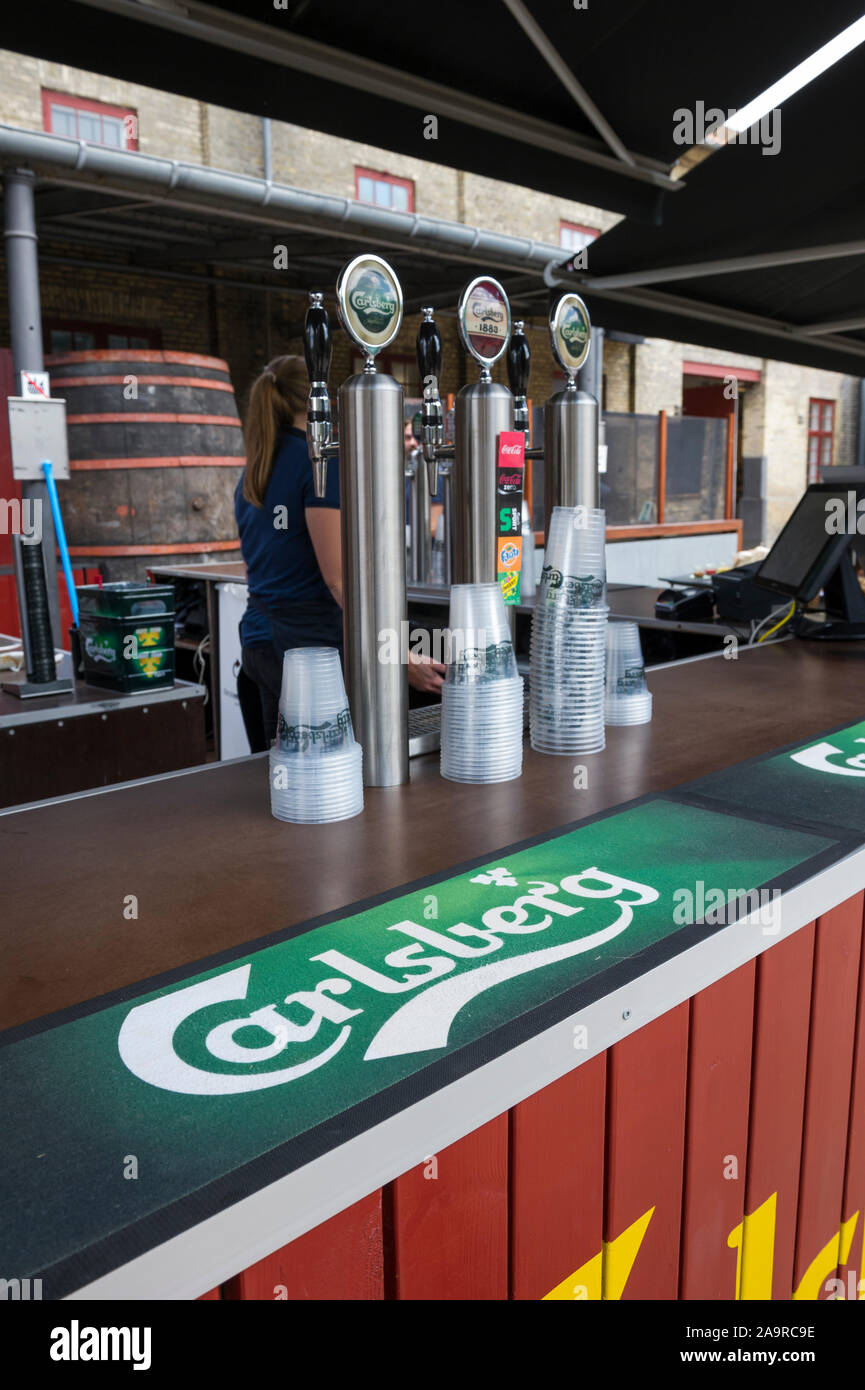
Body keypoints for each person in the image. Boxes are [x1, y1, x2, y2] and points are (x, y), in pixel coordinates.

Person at [236, 355, 443, 749]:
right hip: (310, 658)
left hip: (260, 646)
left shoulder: (256, 467)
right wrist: (400, 651)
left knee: (282, 786)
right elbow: (338, 580)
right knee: (332, 790)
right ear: (320, 399)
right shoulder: (319, 463)